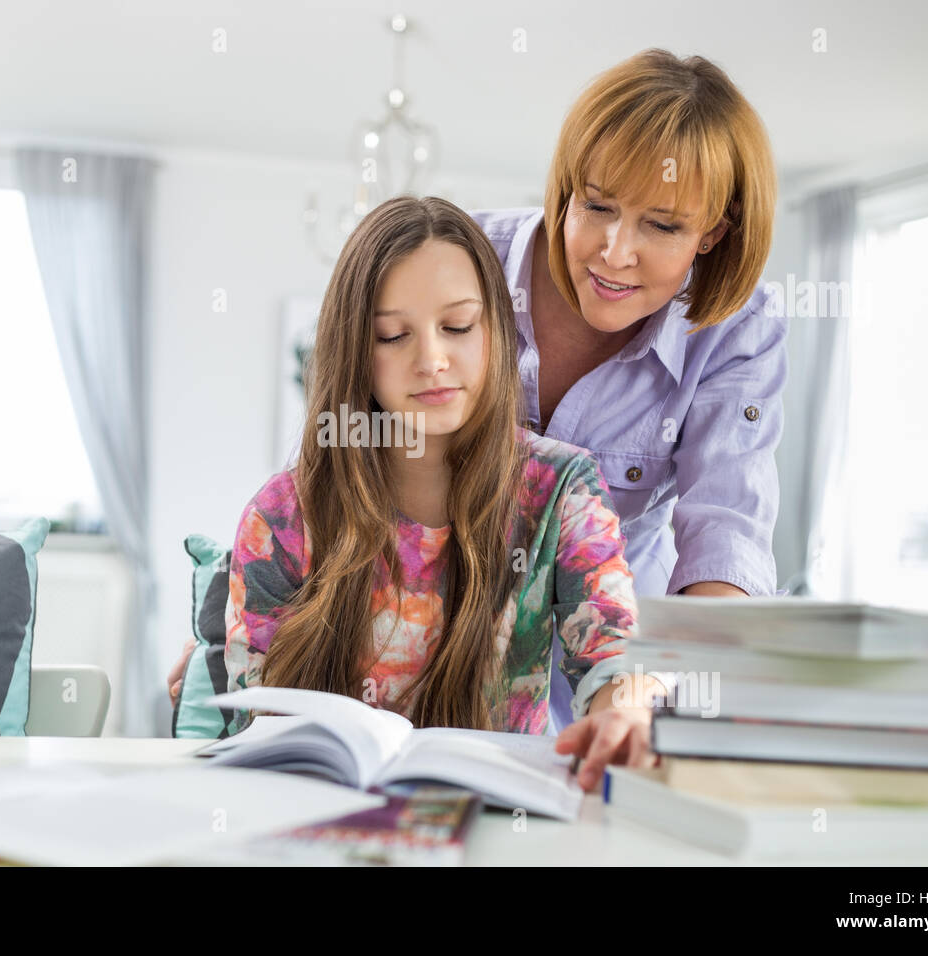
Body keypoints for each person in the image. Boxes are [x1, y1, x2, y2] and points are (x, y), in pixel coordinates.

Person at [220, 195, 664, 791]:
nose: (432, 360)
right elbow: (260, 728)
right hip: (320, 817)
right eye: (393, 335)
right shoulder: (280, 516)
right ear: (355, 351)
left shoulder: (562, 490)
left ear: (496, 333)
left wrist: (625, 712)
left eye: (457, 327)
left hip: (494, 820)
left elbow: (611, 650)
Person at [467, 48, 788, 731]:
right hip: (435, 637)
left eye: (663, 225)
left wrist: (681, 700)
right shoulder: (467, 263)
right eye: (598, 205)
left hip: (617, 664)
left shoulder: (738, 330)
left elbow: (725, 533)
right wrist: (253, 615)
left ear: (712, 232)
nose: (615, 252)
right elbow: (347, 468)